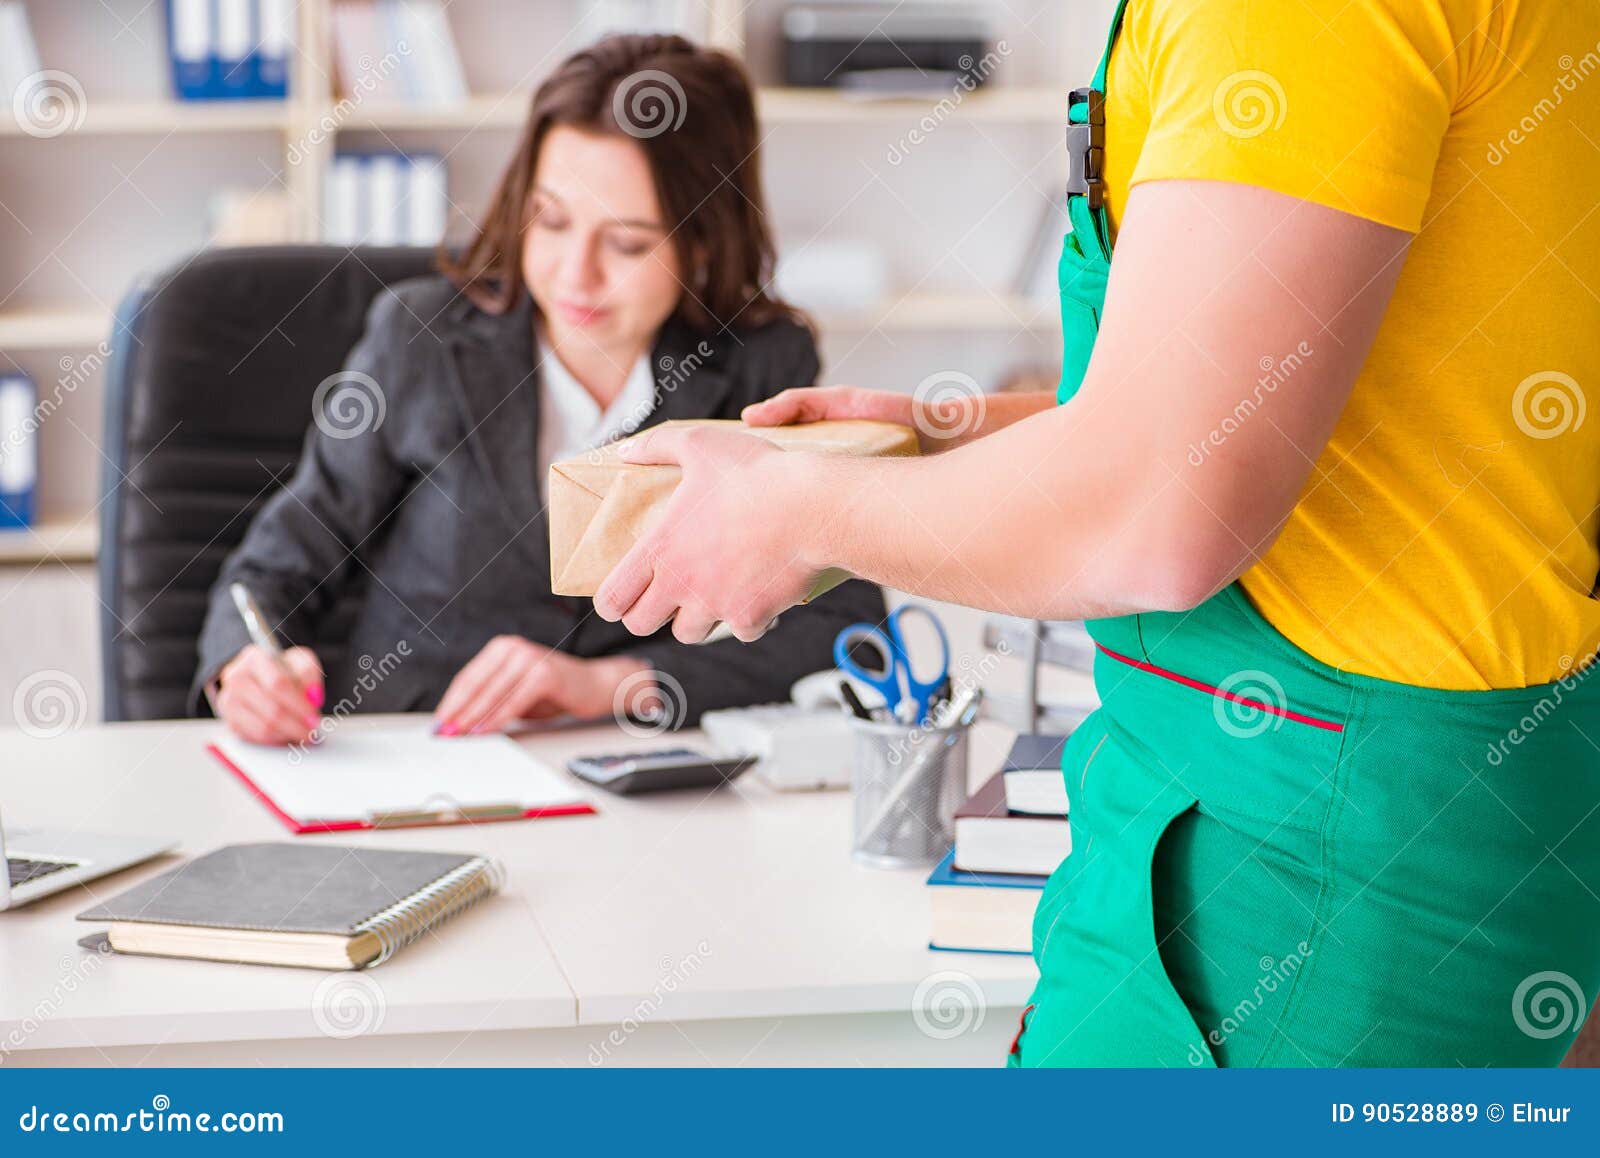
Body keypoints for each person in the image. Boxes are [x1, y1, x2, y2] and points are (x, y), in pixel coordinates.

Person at [593, 0, 1600, 1066]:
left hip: (1301, 867)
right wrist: (935, 439)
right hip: (1415, 813)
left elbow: (1163, 511)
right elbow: (1249, 404)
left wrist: (789, 513)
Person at [192, 34, 883, 744]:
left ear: (703, 240)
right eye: (551, 221)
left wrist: (607, 686)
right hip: (414, 760)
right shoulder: (421, 338)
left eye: (627, 243)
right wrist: (245, 668)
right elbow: (278, 564)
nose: (574, 275)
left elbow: (844, 626)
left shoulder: (761, 367)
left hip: (626, 778)